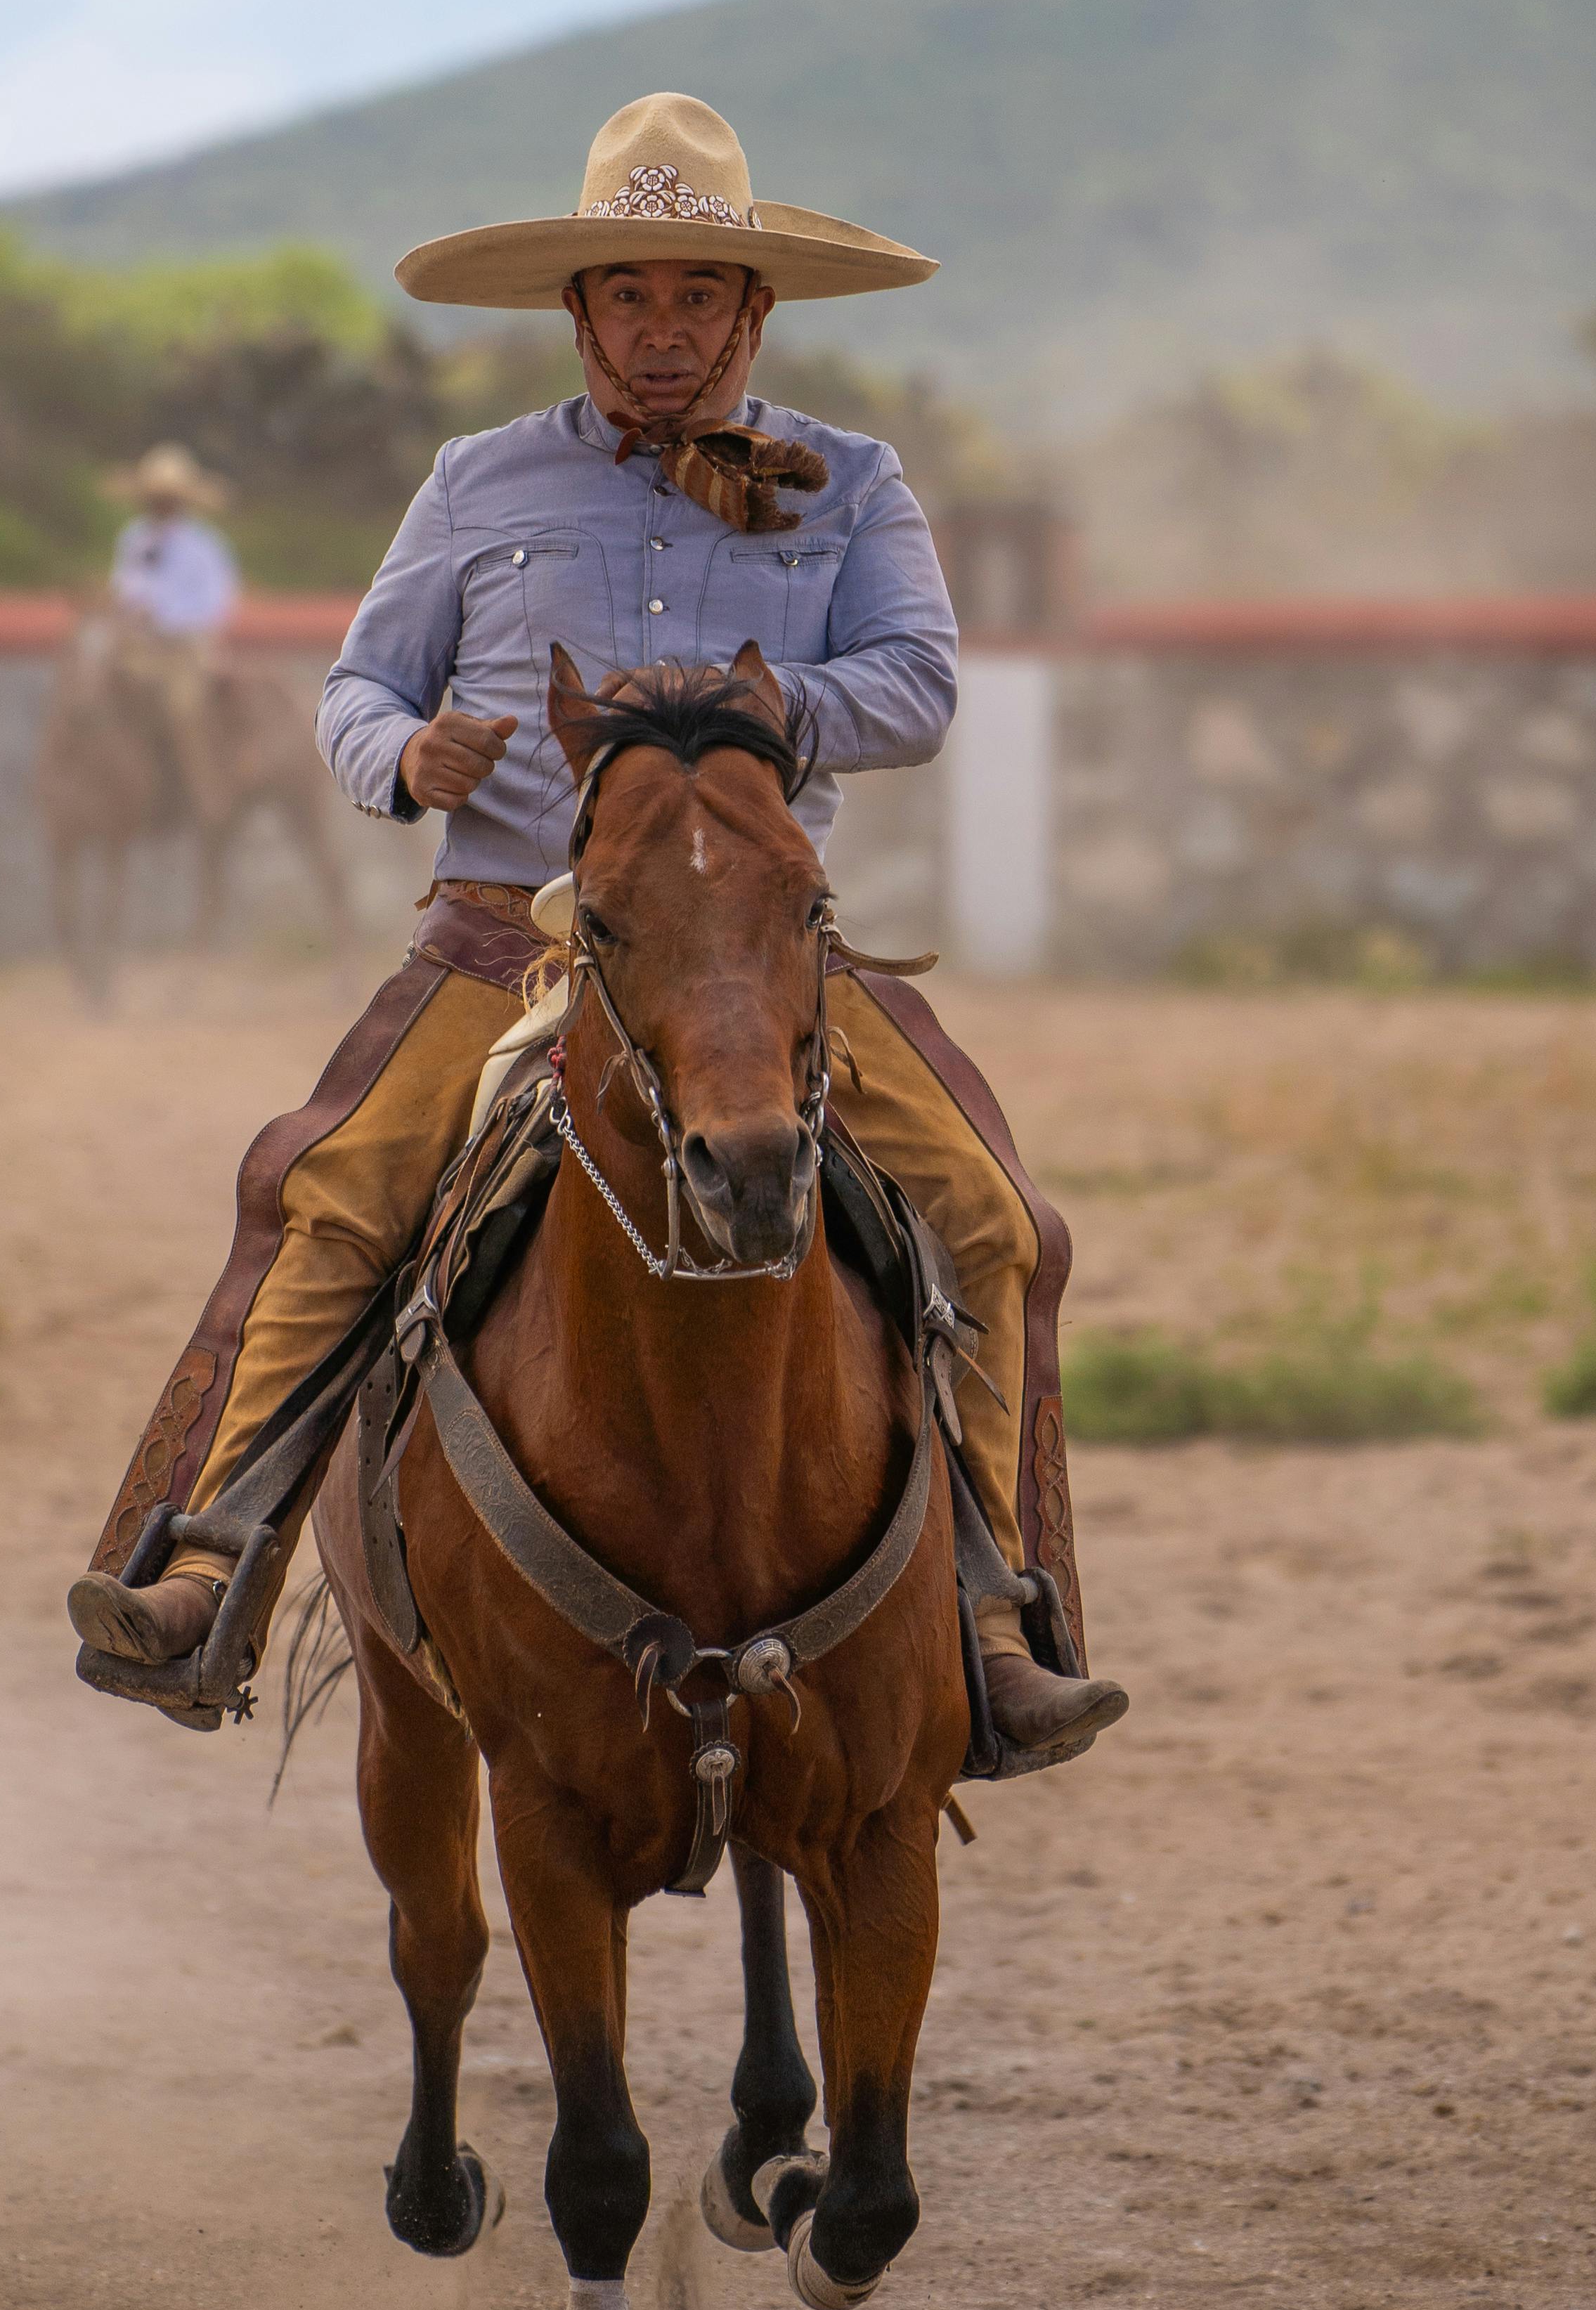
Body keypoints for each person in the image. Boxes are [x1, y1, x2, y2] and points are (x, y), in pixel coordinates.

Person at [67, 93, 1120, 1762]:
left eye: (698, 295)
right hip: (504, 940)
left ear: (755, 312)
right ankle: (208, 1567)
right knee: (320, 1191)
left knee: (993, 1222)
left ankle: (995, 1622)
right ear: (577, 310)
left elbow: (919, 685)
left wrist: (736, 724)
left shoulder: (854, 487)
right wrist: (406, 755)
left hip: (757, 955)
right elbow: (356, 686)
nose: (661, 330)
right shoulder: (476, 483)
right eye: (628, 295)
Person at [108, 443, 239, 763]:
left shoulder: (204, 544)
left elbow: (218, 599)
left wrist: (165, 616)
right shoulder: (133, 537)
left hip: (185, 648)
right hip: (137, 646)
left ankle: (202, 789)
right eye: (155, 498)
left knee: (183, 709)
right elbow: (123, 585)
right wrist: (131, 610)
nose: (161, 505)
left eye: (168, 499)